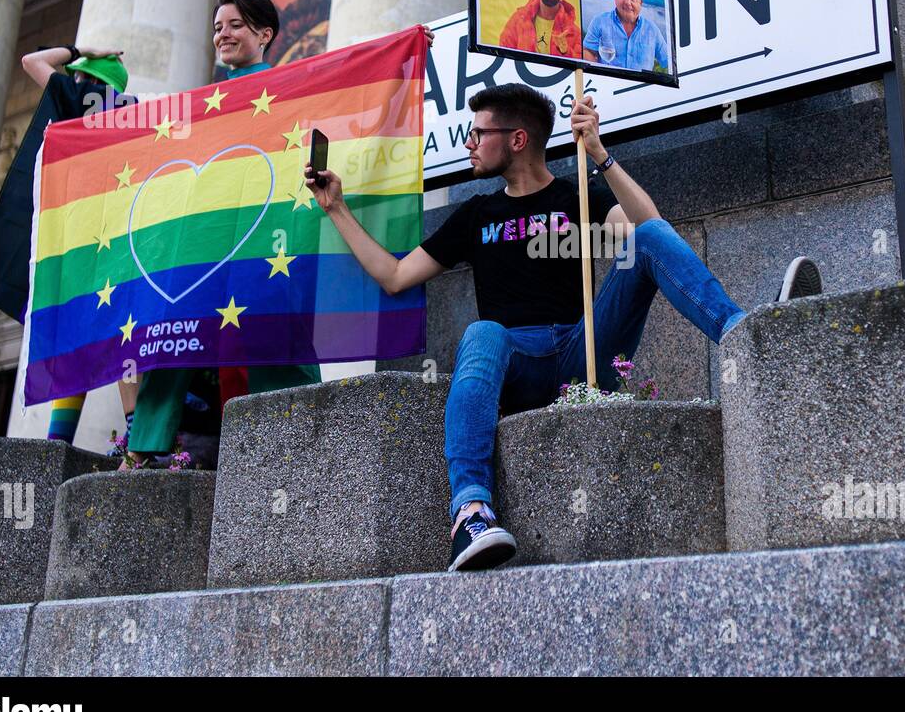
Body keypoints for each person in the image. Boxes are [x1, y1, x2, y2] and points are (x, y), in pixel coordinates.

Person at [307, 83, 821, 571]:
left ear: (516, 139)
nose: (468, 144)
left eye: (477, 133)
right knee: (482, 332)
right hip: (517, 362)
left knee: (649, 237)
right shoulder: (475, 213)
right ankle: (470, 514)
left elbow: (648, 230)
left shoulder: (575, 194)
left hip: (583, 351)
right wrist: (336, 209)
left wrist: (600, 154)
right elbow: (395, 275)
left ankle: (750, 335)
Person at [119, 0, 323, 470]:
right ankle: (143, 446)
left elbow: (308, 152)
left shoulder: (290, 89)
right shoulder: (197, 106)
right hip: (200, 240)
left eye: (233, 25)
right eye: (217, 28)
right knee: (173, 332)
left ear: (264, 34)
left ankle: (294, 438)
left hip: (261, 238)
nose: (222, 35)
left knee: (271, 330)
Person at [0, 44, 137, 445]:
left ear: (86, 79)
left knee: (75, 337)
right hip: (119, 238)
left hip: (73, 240)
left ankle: (59, 441)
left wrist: (77, 50)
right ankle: (136, 433)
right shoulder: (132, 111)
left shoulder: (74, 98)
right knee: (124, 333)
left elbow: (30, 61)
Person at [582, 0, 670, 71]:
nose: (628, 2)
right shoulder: (599, 22)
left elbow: (668, 63)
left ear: (640, 3)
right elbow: (588, 51)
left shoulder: (652, 30)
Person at [498, 0, 582, 58]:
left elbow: (581, 66)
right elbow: (504, 49)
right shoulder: (519, 18)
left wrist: (566, 52)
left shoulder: (574, 32)